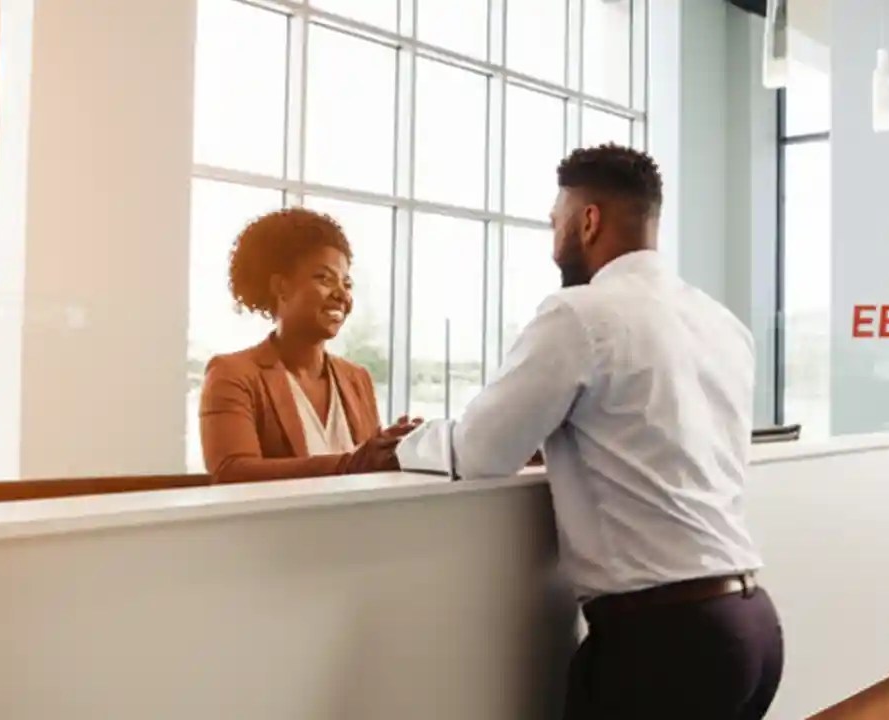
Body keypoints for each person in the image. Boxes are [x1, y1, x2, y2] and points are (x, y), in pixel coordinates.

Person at [394, 145, 784, 718]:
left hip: (663, 642)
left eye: (555, 223)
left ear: (588, 220)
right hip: (752, 626)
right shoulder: (721, 323)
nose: (554, 240)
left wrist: (405, 444)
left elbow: (481, 450)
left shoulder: (580, 314)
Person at [200, 207, 418, 484]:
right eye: (324, 279)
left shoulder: (357, 378)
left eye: (346, 283)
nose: (341, 295)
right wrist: (353, 463)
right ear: (281, 287)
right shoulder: (233, 374)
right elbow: (232, 472)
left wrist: (394, 447)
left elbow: (367, 473)